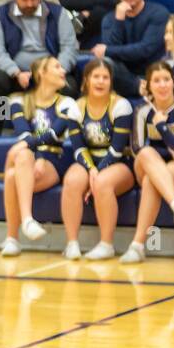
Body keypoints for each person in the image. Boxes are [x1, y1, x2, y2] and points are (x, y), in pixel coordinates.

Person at [119, 62, 174, 264]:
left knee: (151, 181)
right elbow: (137, 149)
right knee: (146, 153)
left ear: (173, 83)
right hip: (147, 164)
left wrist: (162, 128)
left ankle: (137, 246)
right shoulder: (141, 109)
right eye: (157, 81)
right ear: (149, 86)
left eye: (166, 79)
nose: (162, 85)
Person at [0, 0, 79, 136]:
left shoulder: (58, 13)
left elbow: (70, 47)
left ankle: (62, 136)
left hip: (48, 71)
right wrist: (16, 72)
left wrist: (54, 71)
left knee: (69, 87)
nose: (29, 3)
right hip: (15, 73)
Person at [0, 56, 78, 257]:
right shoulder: (18, 101)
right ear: (41, 73)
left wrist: (40, 156)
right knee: (17, 164)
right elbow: (24, 135)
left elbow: (54, 134)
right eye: (57, 67)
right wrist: (34, 153)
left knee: (19, 156)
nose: (63, 71)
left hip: (54, 161)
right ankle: (26, 221)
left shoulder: (67, 103)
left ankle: (13, 237)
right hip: (28, 160)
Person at [66, 58, 136, 261]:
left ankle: (107, 244)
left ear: (111, 81)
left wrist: (97, 173)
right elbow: (78, 148)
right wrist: (91, 170)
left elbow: (117, 148)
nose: (100, 81)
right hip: (89, 161)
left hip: (119, 163)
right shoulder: (75, 107)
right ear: (86, 80)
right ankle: (72, 243)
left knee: (103, 183)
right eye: (96, 76)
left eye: (105, 77)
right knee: (72, 180)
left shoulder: (121, 106)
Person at [94, 0, 169, 100]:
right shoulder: (110, 19)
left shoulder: (159, 13)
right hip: (122, 77)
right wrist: (119, 20)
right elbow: (111, 56)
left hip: (153, 74)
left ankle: (142, 86)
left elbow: (145, 50)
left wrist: (108, 50)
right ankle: (139, 87)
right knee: (105, 64)